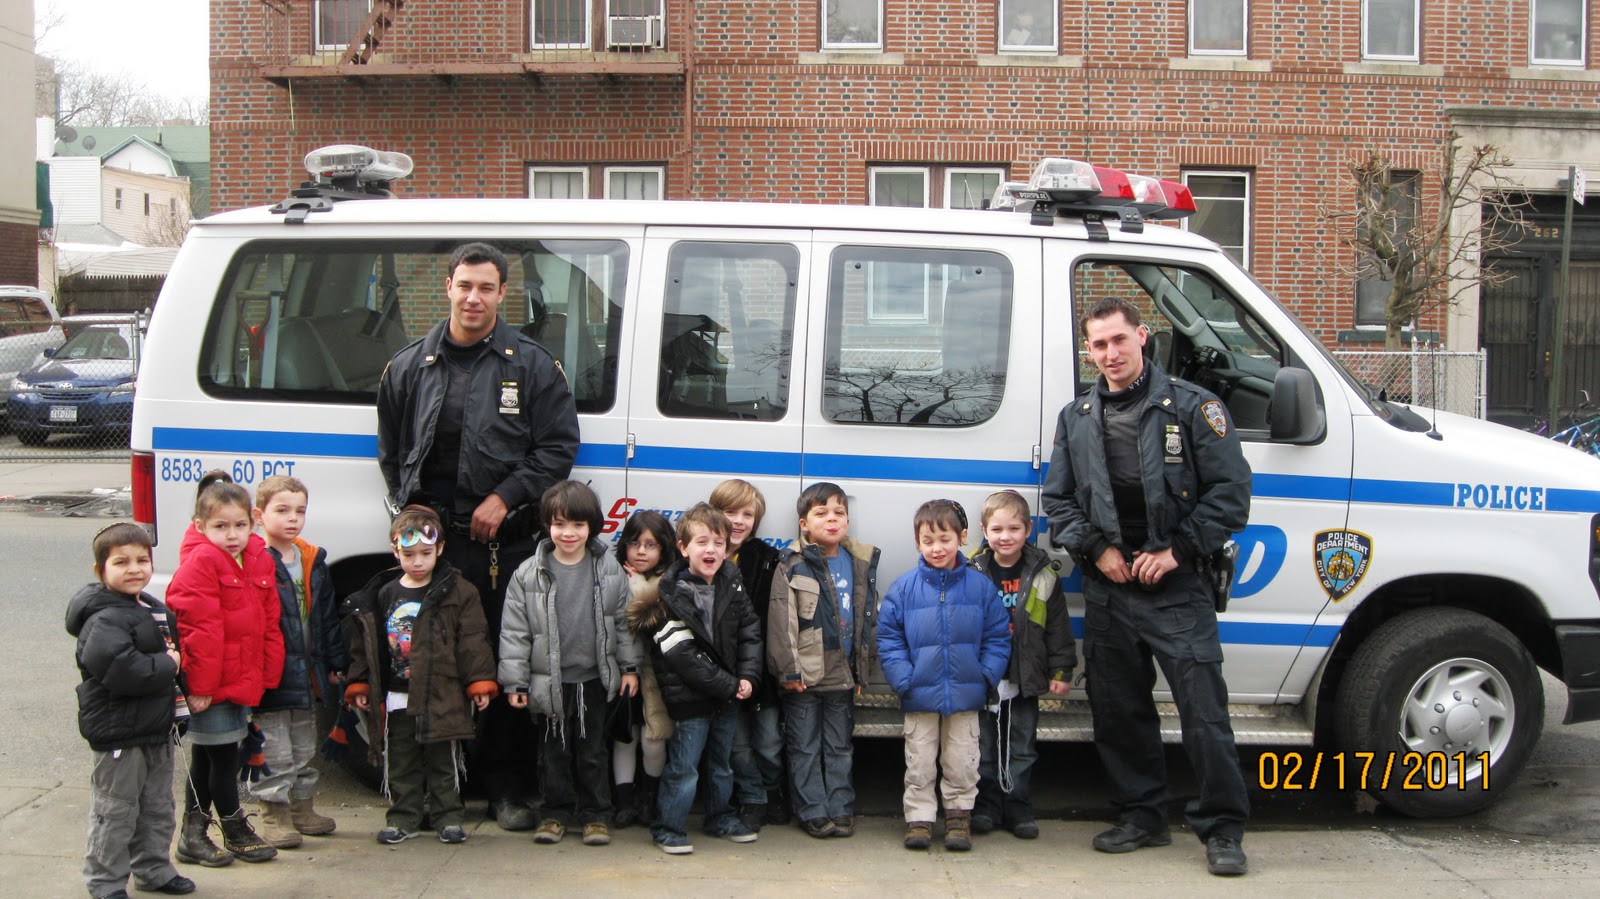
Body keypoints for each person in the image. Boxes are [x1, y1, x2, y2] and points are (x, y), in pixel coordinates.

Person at [1041, 296, 1253, 877]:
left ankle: (1223, 828)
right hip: (1110, 585)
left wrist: (1178, 551)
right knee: (1119, 712)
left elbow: (1230, 495)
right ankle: (1142, 816)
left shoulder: (1194, 407)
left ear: (1143, 338)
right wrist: (1096, 549)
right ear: (1089, 351)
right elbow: (1057, 499)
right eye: (1098, 345)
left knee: (1203, 714)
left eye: (1118, 340)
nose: (1109, 353)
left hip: (1178, 586)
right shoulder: (1076, 417)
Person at [376, 241, 581, 831]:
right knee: (430, 663)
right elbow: (391, 452)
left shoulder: (533, 365)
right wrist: (411, 516)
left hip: (503, 546)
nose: (474, 297)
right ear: (448, 288)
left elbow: (557, 448)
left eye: (486, 287)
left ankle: (506, 788)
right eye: (464, 285)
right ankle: (438, 789)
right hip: (433, 549)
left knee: (504, 661)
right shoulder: (409, 365)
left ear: (501, 293)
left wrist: (506, 496)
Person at [343, 506, 499, 845]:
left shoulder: (459, 591)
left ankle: (449, 818)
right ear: (395, 550)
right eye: (409, 554)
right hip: (399, 695)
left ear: (440, 549)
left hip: (443, 692)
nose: (417, 562)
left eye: (426, 554)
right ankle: (403, 817)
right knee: (401, 761)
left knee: (444, 762)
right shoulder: (383, 594)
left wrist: (479, 680)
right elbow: (368, 646)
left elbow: (473, 640)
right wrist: (361, 680)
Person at [499, 481, 640, 847]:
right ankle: (555, 813)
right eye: (560, 524)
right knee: (553, 753)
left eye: (578, 525)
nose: (569, 533)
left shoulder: (608, 569)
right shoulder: (528, 573)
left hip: (594, 679)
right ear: (547, 525)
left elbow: (624, 624)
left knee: (593, 751)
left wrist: (629, 669)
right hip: (549, 682)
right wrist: (515, 682)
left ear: (592, 526)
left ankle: (595, 815)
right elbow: (515, 632)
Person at [67, 522, 196, 898]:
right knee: (116, 810)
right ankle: (106, 882)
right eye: (121, 562)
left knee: (157, 805)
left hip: (156, 726)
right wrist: (170, 664)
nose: (134, 568)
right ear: (100, 570)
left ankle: (154, 869)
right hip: (119, 731)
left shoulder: (153, 609)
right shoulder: (103, 618)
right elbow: (124, 671)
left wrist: (181, 703)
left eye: (142, 560)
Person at [877, 499, 1010, 853]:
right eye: (928, 540)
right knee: (919, 761)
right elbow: (888, 639)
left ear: (962, 537)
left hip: (967, 695)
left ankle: (958, 817)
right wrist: (904, 679)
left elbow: (998, 635)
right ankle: (919, 819)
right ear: (917, 543)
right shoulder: (904, 589)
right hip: (919, 694)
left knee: (963, 761)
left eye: (945, 539)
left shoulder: (980, 588)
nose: (937, 548)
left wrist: (985, 677)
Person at [165, 474, 283, 867]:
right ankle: (233, 829)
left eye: (239, 525)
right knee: (222, 759)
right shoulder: (201, 563)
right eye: (220, 526)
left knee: (211, 757)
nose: (231, 535)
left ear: (252, 521)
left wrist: (265, 675)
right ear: (200, 526)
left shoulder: (257, 557)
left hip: (239, 681)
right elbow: (198, 633)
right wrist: (199, 687)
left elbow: (269, 622)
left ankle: (193, 834)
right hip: (210, 686)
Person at [644, 504, 763, 855]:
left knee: (721, 765)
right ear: (683, 548)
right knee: (684, 767)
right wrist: (729, 684)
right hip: (690, 699)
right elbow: (681, 656)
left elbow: (750, 634)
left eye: (718, 542)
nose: (711, 550)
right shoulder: (669, 593)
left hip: (728, 695)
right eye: (701, 542)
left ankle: (719, 817)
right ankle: (668, 827)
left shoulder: (733, 584)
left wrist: (748, 676)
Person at [766, 482, 880, 839]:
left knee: (840, 747)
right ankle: (812, 809)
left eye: (839, 513)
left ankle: (840, 808)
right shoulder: (792, 565)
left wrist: (863, 668)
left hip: (842, 675)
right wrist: (788, 670)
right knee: (803, 747)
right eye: (821, 513)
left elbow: (866, 621)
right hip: (805, 677)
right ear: (804, 523)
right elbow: (781, 622)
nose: (832, 519)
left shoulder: (859, 562)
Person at [968, 490, 1076, 839]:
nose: (1005, 536)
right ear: (984, 532)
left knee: (1022, 748)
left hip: (1025, 676)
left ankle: (1018, 807)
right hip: (985, 676)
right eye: (997, 529)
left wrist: (1061, 671)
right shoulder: (972, 572)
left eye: (1013, 528)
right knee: (984, 748)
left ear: (1028, 529)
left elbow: (1058, 627)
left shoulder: (1043, 575)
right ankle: (986, 806)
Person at [249, 475, 348, 848]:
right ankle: (273, 814)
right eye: (282, 510)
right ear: (259, 515)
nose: (293, 518)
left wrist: (336, 663)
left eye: (300, 511)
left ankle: (302, 807)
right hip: (271, 675)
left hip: (307, 670)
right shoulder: (254, 560)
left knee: (304, 745)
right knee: (273, 747)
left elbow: (325, 619)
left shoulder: (310, 559)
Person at [711, 478, 791, 832]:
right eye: (730, 512)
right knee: (737, 745)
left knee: (770, 741)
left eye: (748, 514)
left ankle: (773, 790)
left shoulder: (766, 559)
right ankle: (752, 797)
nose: (739, 521)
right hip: (722, 673)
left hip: (762, 672)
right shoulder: (704, 557)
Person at [615, 510, 681, 827]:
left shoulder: (671, 580)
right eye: (634, 543)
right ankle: (624, 801)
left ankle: (650, 799)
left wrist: (639, 585)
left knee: (653, 738)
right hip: (623, 674)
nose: (641, 552)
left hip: (657, 678)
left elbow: (654, 615)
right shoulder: (615, 576)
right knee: (624, 737)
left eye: (650, 545)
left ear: (664, 549)